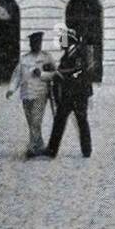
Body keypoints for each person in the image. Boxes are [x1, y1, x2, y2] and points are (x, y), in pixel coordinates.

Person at [6, 31, 56, 158]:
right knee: (31, 122)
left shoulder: (47, 58)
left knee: (35, 120)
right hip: (26, 94)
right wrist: (11, 89)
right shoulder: (24, 58)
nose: (36, 45)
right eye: (33, 42)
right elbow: (17, 75)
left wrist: (42, 74)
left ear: (41, 43)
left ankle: (32, 148)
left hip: (40, 93)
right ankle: (39, 145)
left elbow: (55, 75)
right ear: (30, 44)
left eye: (38, 42)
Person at [46, 29, 94, 159]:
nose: (61, 42)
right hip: (68, 94)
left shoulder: (80, 52)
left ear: (70, 40)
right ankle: (52, 150)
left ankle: (87, 150)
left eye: (63, 39)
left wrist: (61, 73)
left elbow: (79, 71)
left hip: (79, 94)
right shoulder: (66, 54)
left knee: (82, 121)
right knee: (59, 120)